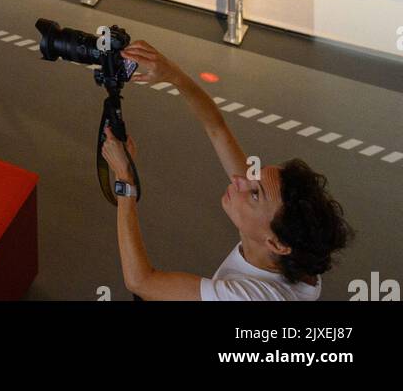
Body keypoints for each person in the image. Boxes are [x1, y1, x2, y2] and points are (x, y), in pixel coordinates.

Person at [100, 39, 353, 301]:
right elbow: (217, 129)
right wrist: (172, 74)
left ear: (277, 244)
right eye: (255, 177)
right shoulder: (293, 255)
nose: (239, 179)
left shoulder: (249, 297)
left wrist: (124, 178)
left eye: (254, 193)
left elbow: (141, 282)